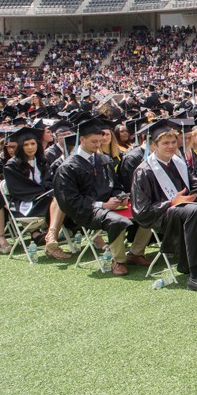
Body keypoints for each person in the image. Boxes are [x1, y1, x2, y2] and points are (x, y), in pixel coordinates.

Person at [130, 119, 197, 294]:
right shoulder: (144, 171)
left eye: (173, 142)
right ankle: (195, 276)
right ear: (154, 145)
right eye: (165, 143)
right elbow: (141, 212)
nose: (171, 146)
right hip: (159, 217)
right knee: (193, 211)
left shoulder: (178, 163)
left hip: (184, 210)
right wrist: (171, 203)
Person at [53, 117, 153, 276]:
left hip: (111, 205)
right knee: (117, 220)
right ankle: (118, 260)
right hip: (86, 211)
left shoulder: (103, 160)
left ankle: (136, 253)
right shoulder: (68, 167)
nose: (98, 145)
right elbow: (69, 200)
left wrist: (120, 196)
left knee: (148, 210)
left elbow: (115, 186)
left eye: (100, 141)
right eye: (94, 141)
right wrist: (102, 205)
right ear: (82, 139)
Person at [2, 127, 71, 259]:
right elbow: (17, 189)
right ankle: (51, 237)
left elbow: (49, 181)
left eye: (33, 143)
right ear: (20, 147)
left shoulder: (41, 161)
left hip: (45, 200)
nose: (30, 147)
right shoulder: (11, 165)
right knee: (59, 199)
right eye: (26, 144)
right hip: (26, 204)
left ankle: (51, 239)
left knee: (61, 198)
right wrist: (44, 192)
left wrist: (48, 190)